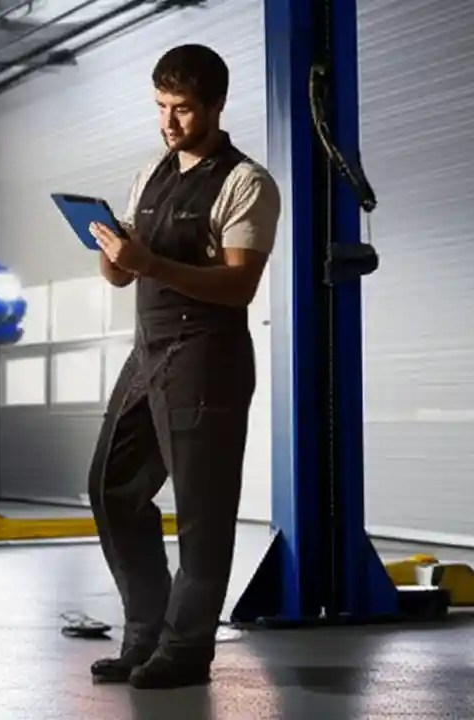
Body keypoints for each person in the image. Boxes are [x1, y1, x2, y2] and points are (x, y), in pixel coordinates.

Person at [85, 43, 280, 690]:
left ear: (216, 106)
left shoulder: (246, 183)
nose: (169, 123)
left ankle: (188, 649)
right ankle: (144, 636)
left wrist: (149, 265)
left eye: (184, 110)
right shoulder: (152, 173)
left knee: (202, 511)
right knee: (112, 488)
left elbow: (239, 286)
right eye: (161, 107)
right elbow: (123, 277)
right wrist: (113, 258)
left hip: (207, 356)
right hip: (148, 351)